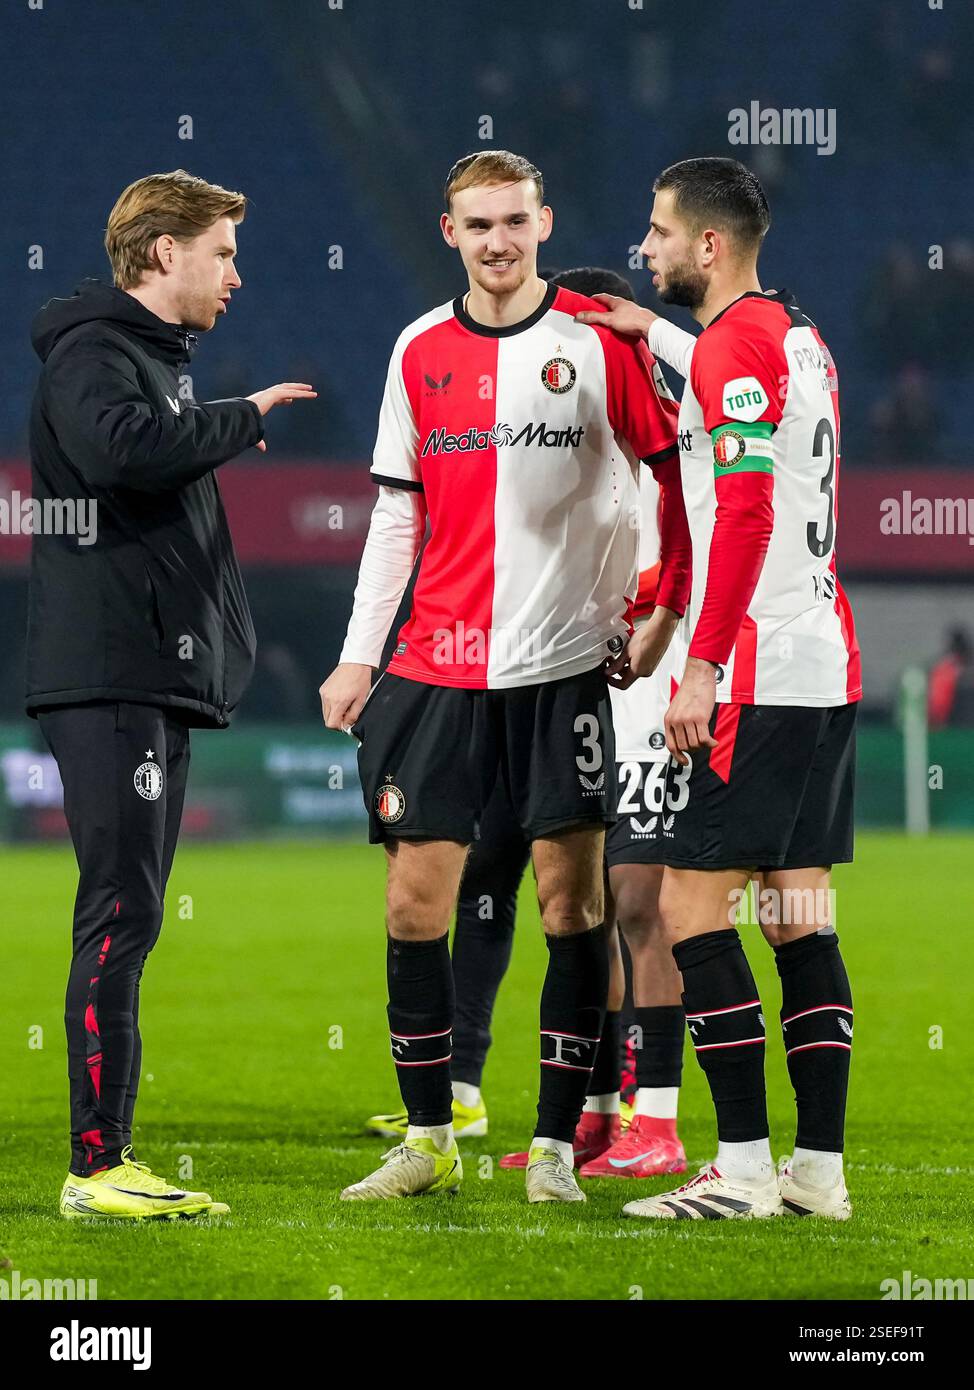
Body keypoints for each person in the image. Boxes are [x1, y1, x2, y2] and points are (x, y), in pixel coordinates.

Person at [321, 150, 689, 1204]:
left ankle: (557, 1150)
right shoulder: (416, 349)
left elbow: (667, 481)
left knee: (570, 907)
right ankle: (429, 1138)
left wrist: (656, 611)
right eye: (477, 224)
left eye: (515, 222)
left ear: (543, 220)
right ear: (448, 231)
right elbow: (397, 512)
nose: (497, 241)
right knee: (409, 905)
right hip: (432, 669)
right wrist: (359, 653)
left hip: (564, 670)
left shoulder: (595, 340)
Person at [26, 169, 316, 1220]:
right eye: (223, 252)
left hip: (143, 673)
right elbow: (123, 451)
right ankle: (96, 1167)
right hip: (108, 673)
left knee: (131, 911)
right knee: (117, 909)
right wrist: (242, 416)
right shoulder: (95, 353)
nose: (236, 274)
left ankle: (109, 1157)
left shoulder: (151, 359)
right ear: (163, 253)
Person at [579, 156, 861, 1220]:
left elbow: (740, 512)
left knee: (692, 911)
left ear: (707, 244)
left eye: (656, 232)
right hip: (821, 661)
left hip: (756, 676)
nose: (643, 248)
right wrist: (649, 332)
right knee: (796, 915)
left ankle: (738, 1169)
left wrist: (698, 663)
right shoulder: (791, 336)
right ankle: (815, 1176)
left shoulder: (735, 350)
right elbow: (733, 410)